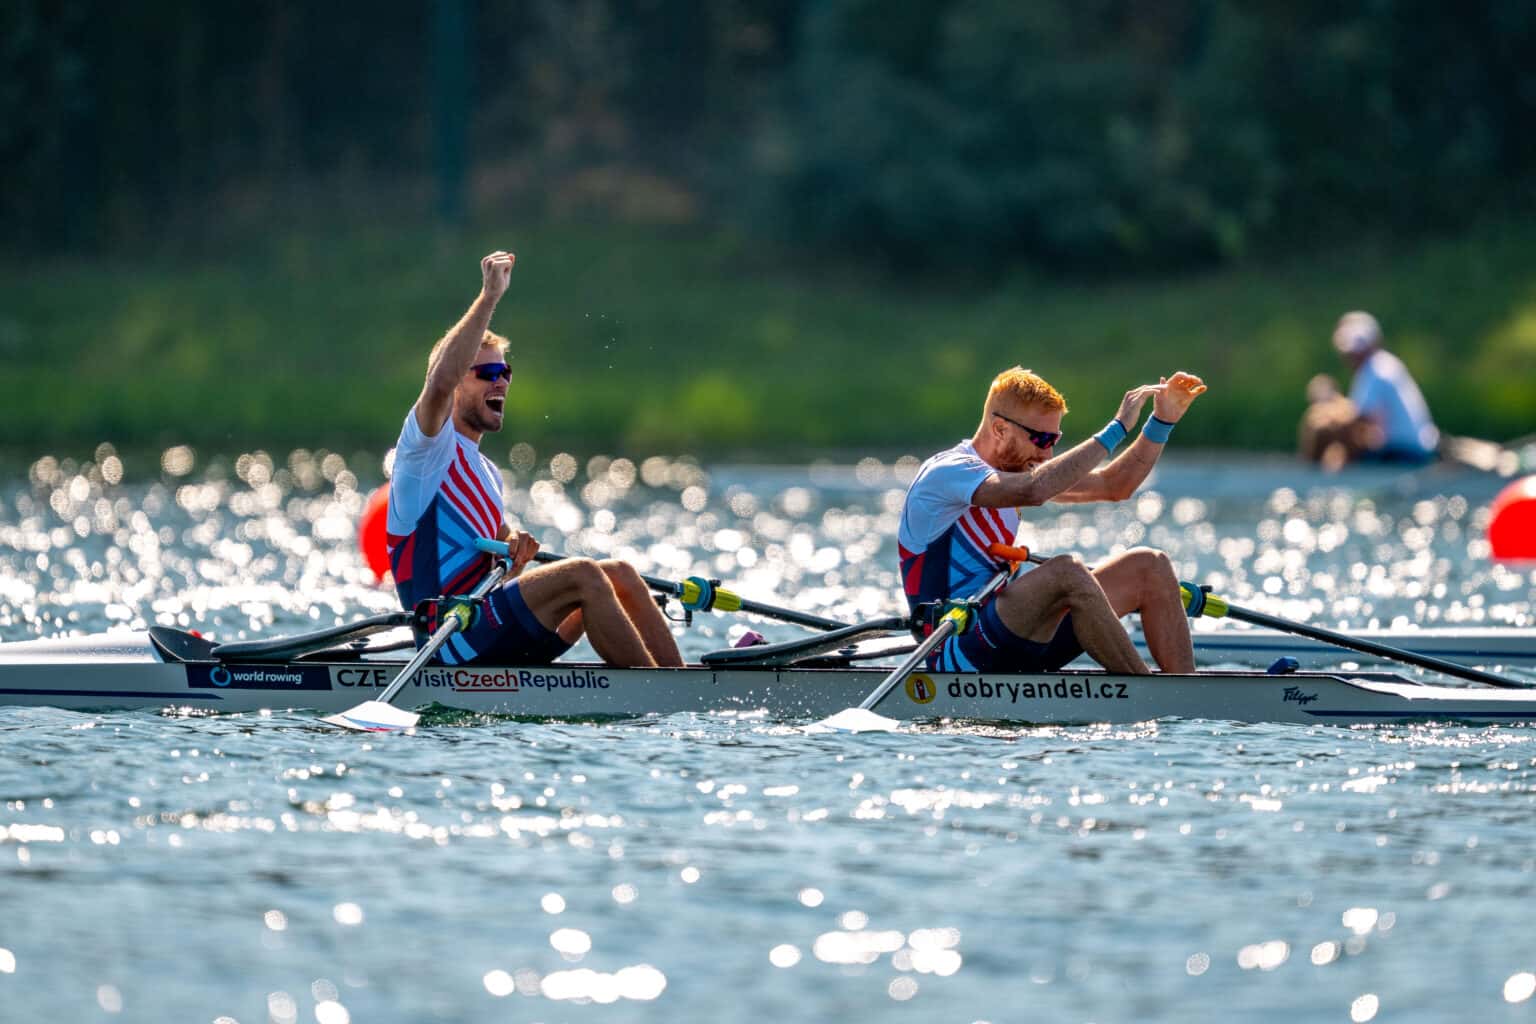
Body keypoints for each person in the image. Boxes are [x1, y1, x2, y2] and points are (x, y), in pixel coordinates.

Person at [385, 251, 683, 668]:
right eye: (486, 373)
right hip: (448, 644)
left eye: (506, 372)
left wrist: (515, 555)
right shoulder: (424, 453)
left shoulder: (487, 472)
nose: (501, 380)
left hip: (490, 633)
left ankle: (681, 684)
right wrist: (489, 297)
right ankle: (659, 695)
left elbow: (498, 582)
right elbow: (437, 382)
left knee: (622, 576)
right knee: (583, 574)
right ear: (457, 384)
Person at [897, 366, 1207, 676]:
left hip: (1013, 635)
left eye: (1054, 438)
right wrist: (1117, 428)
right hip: (958, 650)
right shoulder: (949, 472)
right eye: (1040, 439)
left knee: (1150, 566)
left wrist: (1161, 422)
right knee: (1066, 572)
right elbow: (1035, 489)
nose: (1048, 454)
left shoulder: (1019, 470)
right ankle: (1148, 692)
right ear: (1000, 429)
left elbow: (1115, 485)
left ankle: (1187, 695)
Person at [1326, 311, 1439, 463]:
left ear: (1373, 344)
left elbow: (1365, 420)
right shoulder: (1386, 363)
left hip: (1405, 453)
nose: (1353, 356)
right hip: (1419, 450)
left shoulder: (1375, 370)